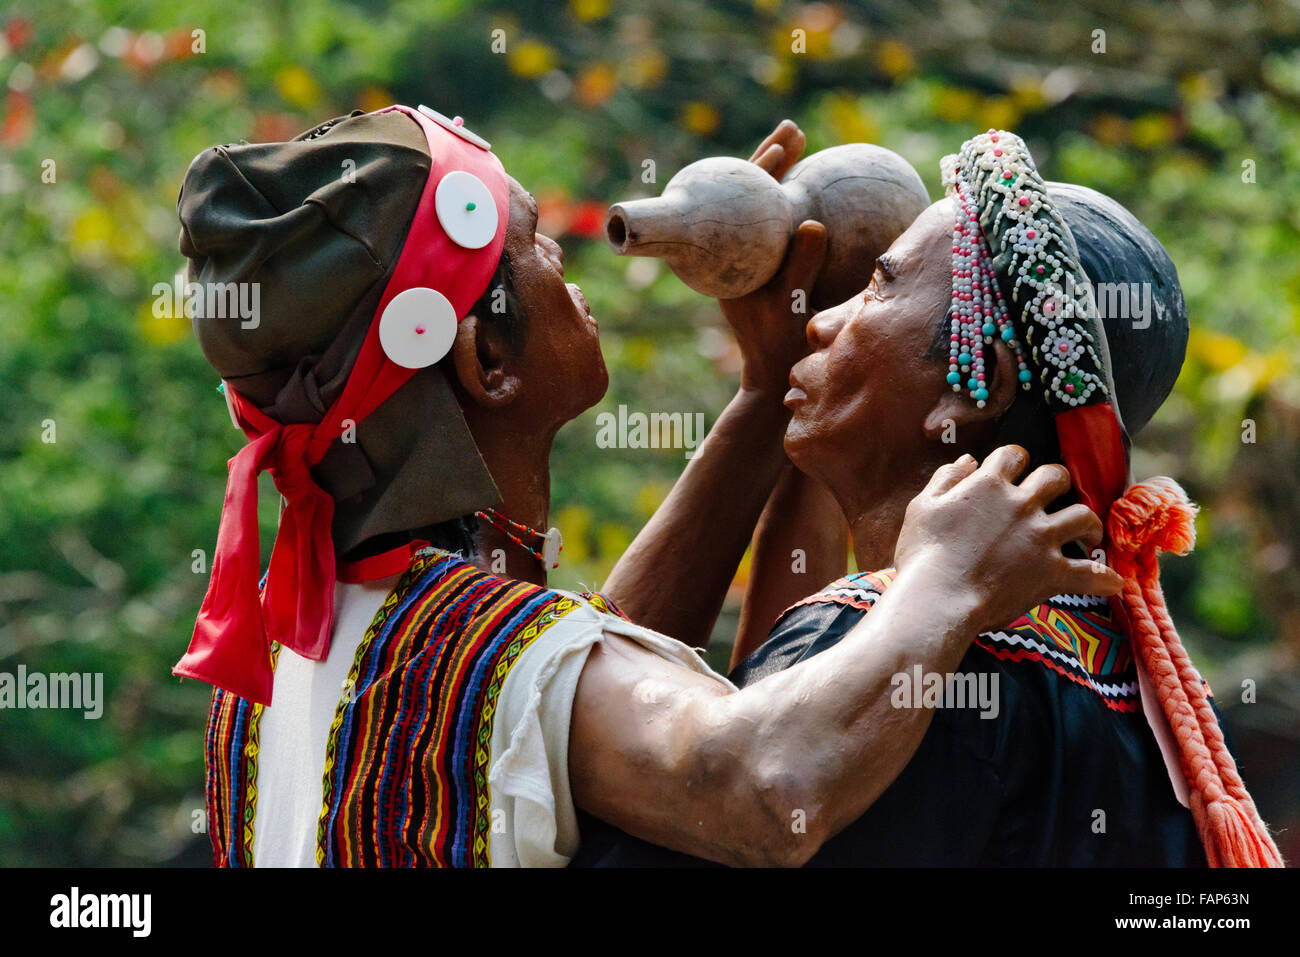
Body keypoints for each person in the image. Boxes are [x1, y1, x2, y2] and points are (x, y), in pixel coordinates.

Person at [173, 107, 1119, 867]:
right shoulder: (483, 656)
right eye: (537, 242)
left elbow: (583, 670)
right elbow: (763, 783)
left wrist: (764, 399)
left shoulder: (285, 645)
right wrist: (942, 582)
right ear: (485, 357)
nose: (569, 266)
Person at [571, 129, 1284, 867]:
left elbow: (581, 744)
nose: (823, 320)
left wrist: (771, 395)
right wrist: (775, 386)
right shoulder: (1134, 686)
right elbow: (769, 706)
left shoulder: (893, 643)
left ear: (972, 382)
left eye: (879, 284)